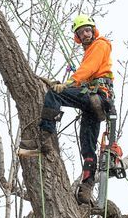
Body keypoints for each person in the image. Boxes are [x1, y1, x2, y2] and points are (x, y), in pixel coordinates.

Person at [18, 14, 115, 205]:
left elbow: (89, 68)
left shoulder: (100, 44)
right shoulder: (90, 50)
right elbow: (88, 71)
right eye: (81, 33)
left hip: (97, 97)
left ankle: (46, 136)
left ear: (93, 30)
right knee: (87, 146)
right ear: (78, 37)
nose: (85, 35)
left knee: (54, 95)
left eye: (87, 30)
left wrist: (69, 83)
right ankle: (86, 187)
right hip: (96, 105)